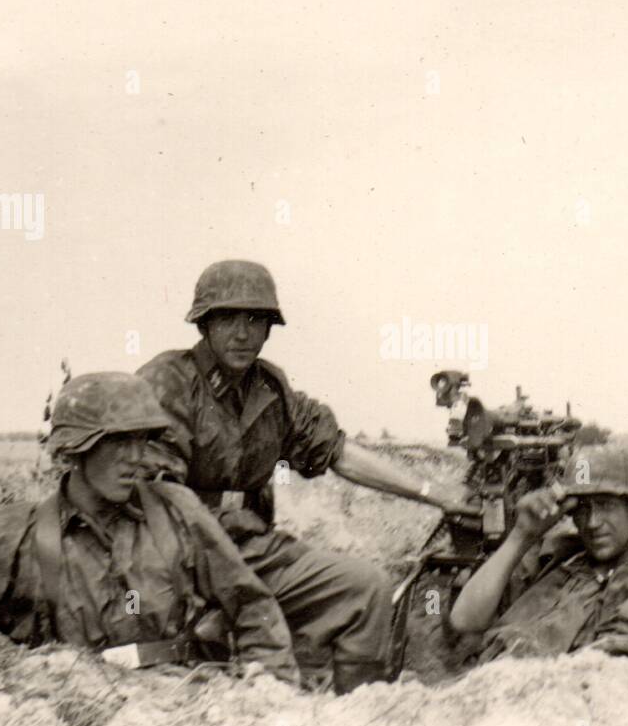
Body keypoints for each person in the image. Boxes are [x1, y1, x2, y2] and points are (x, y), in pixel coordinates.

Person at [137, 259, 473, 692]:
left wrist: (435, 493)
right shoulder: (168, 382)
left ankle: (357, 718)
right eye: (228, 319)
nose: (243, 333)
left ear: (269, 327)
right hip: (180, 555)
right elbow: (155, 494)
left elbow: (338, 451)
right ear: (204, 323)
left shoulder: (270, 389)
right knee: (218, 636)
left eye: (256, 320)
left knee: (366, 587)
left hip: (251, 546)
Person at [0, 372, 300, 685]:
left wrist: (271, 692)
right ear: (75, 452)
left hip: (194, 701)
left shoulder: (178, 510)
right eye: (118, 443)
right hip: (89, 714)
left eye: (142, 442)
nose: (136, 459)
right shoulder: (18, 537)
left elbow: (251, 606)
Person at [448, 445, 628, 663]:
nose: (592, 523)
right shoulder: (556, 557)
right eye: (582, 508)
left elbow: (613, 673)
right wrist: (521, 536)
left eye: (606, 505)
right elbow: (464, 620)